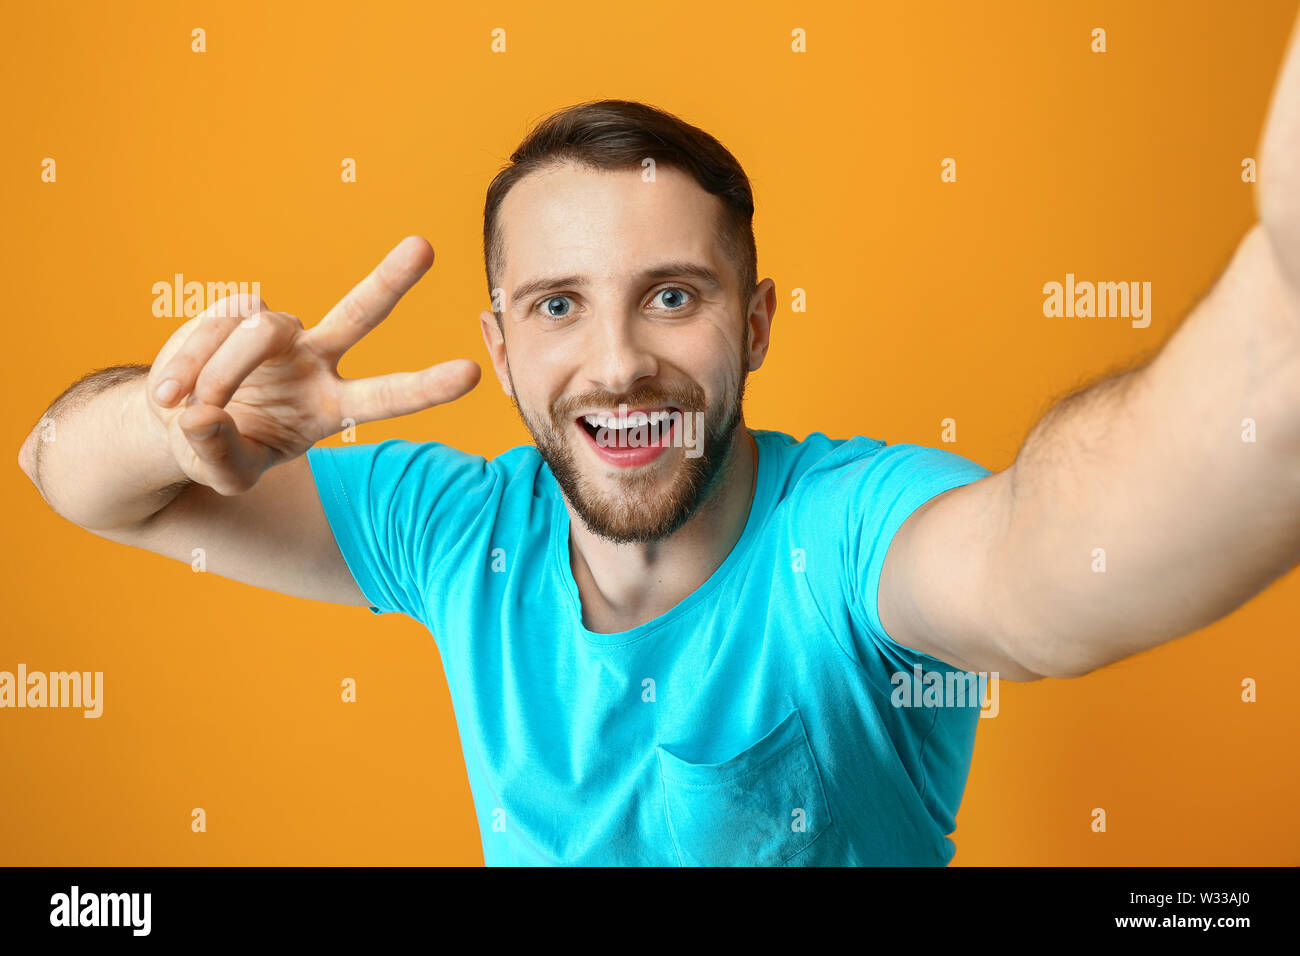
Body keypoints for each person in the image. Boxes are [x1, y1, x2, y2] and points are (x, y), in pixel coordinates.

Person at [18, 23, 1300, 864]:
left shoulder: (846, 535)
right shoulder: (459, 532)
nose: (618, 359)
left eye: (672, 296)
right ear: (502, 342)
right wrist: (174, 433)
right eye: (559, 305)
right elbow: (64, 474)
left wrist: (1285, 282)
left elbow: (1051, 562)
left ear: (752, 327)